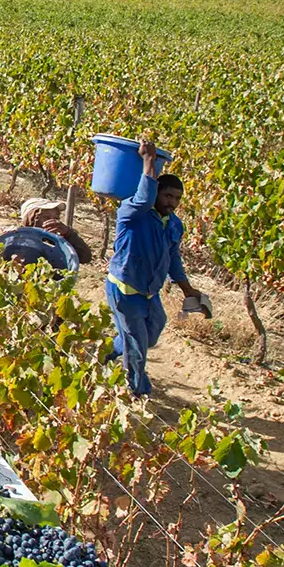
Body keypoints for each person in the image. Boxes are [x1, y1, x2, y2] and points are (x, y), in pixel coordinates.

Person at [104, 141, 203, 396]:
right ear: (155, 191)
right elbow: (143, 197)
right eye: (168, 195)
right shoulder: (132, 212)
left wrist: (187, 289)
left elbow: (173, 258)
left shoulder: (174, 225)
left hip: (149, 292)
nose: (173, 202)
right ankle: (138, 392)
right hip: (124, 290)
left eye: (178, 199)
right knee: (137, 345)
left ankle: (105, 352)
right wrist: (148, 161)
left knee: (153, 331)